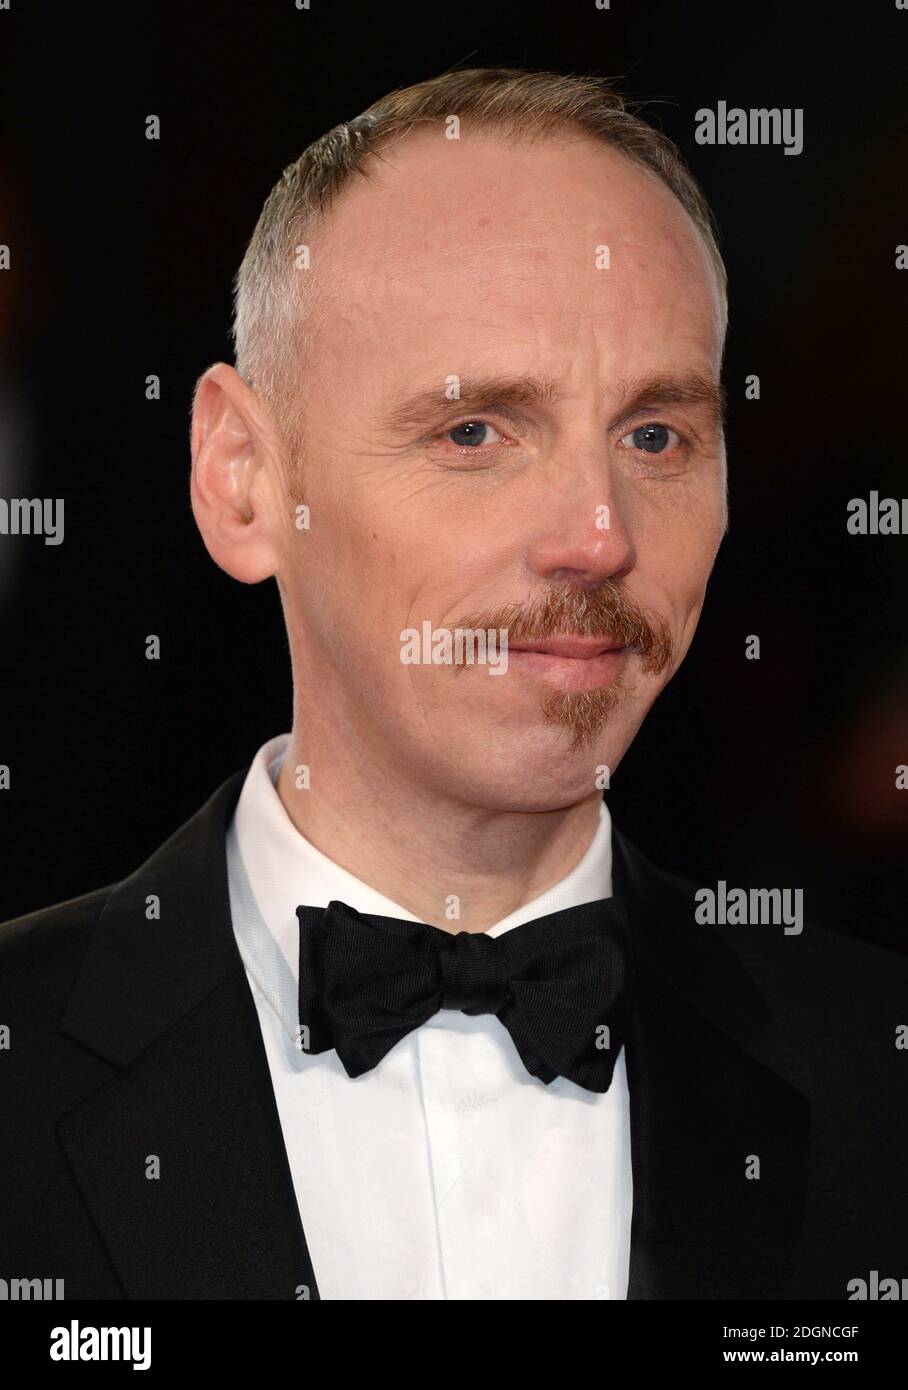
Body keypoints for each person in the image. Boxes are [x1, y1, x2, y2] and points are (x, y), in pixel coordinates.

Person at [1, 68, 904, 1301]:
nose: (597, 534)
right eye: (475, 430)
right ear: (242, 480)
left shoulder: (876, 1071)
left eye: (654, 436)